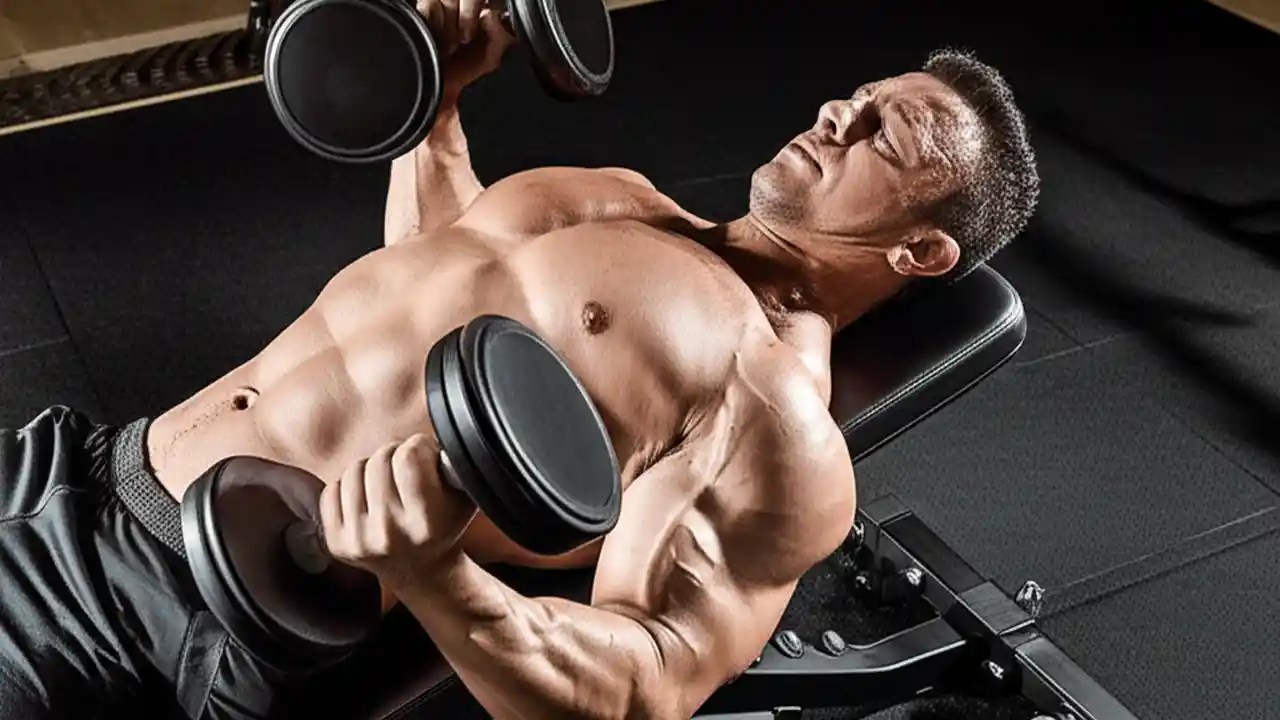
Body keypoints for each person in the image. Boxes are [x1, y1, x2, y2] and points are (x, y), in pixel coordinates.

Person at [0, 4, 1038, 718]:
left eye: (884, 137)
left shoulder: (768, 410)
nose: (839, 114)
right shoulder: (626, 195)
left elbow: (648, 677)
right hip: (84, 461)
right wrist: (435, 116)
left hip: (164, 610)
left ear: (920, 252)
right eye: (858, 94)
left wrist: (434, 573)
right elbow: (431, 282)